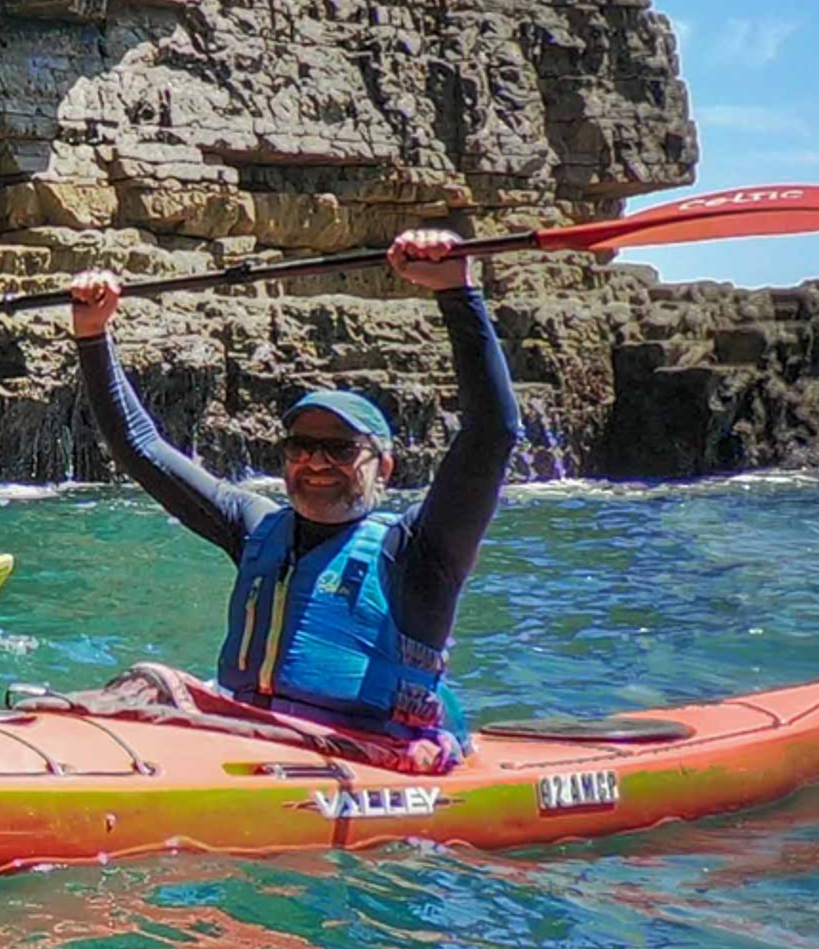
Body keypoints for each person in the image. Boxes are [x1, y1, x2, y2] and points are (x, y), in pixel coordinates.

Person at [63, 228, 515, 770]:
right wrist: (92, 334)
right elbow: (140, 447)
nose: (317, 462)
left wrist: (455, 290)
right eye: (302, 446)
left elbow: (492, 431)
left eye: (340, 448)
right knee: (145, 684)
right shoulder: (256, 527)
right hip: (245, 733)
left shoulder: (420, 551)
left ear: (384, 468)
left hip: (367, 755)